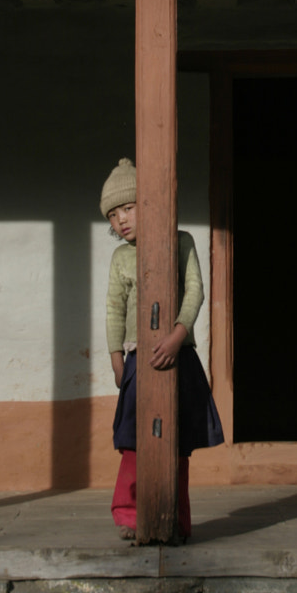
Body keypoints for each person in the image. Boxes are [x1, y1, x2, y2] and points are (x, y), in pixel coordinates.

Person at [100, 157, 223, 542]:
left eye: (129, 208)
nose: (121, 220)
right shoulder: (121, 258)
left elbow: (195, 290)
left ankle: (176, 520)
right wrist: (118, 360)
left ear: (149, 205)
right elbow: (114, 309)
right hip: (139, 361)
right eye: (113, 215)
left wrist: (175, 336)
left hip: (179, 358)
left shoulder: (180, 241)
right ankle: (128, 515)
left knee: (176, 446)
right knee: (134, 443)